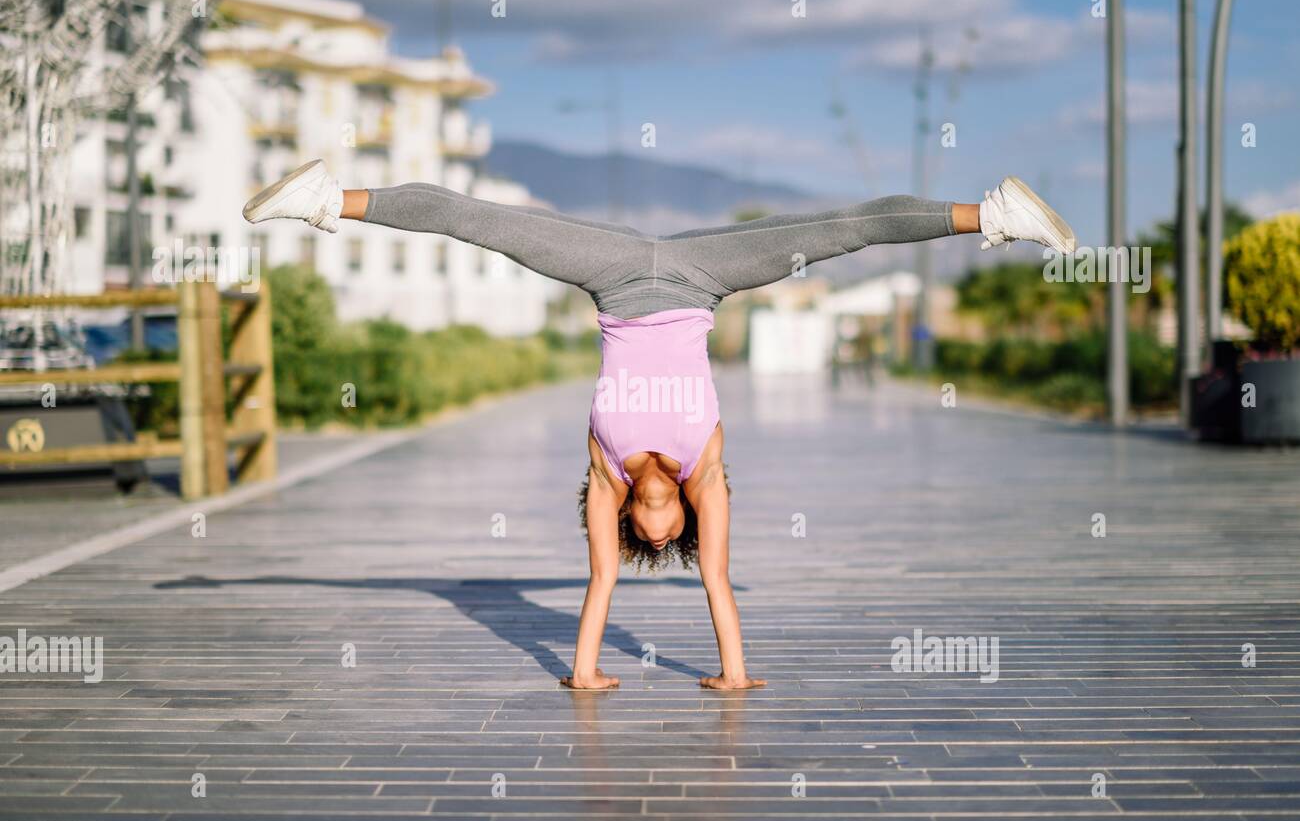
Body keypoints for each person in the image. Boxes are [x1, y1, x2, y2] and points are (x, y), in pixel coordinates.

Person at [244, 160, 1076, 690]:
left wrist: (583, 673)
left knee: (477, 218)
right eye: (663, 520)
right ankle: (995, 213)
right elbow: (714, 579)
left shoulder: (605, 469)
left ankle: (326, 200)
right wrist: (734, 676)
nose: (653, 513)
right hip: (701, 276)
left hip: (612, 276)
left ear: (622, 515)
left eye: (642, 522)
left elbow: (602, 581)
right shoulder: (704, 471)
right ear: (678, 510)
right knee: (842, 231)